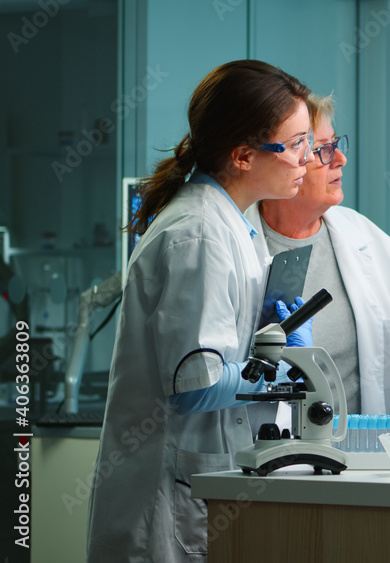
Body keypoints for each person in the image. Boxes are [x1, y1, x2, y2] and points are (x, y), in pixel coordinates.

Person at [87, 60, 315, 561]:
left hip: (205, 484)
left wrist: (268, 334)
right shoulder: (199, 234)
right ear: (242, 156)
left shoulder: (235, 225)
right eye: (297, 144)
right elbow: (197, 384)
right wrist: (278, 371)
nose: (309, 159)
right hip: (165, 506)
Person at [245, 93, 390, 416]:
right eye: (322, 150)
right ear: (287, 158)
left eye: (335, 144)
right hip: (266, 455)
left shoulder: (365, 241)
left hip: (361, 460)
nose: (340, 159)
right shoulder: (239, 245)